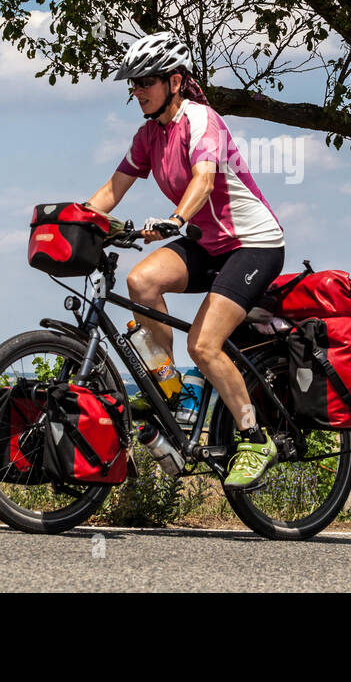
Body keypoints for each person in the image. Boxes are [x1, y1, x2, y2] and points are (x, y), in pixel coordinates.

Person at [83, 31, 287, 491]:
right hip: (207, 242)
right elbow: (111, 192)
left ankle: (255, 438)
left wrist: (176, 218)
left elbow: (203, 178)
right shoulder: (147, 136)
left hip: (252, 244)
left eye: (145, 82)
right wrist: (75, 219)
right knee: (141, 281)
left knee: (204, 343)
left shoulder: (202, 120)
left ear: (174, 82)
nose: (136, 90)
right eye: (132, 84)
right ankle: (169, 391)